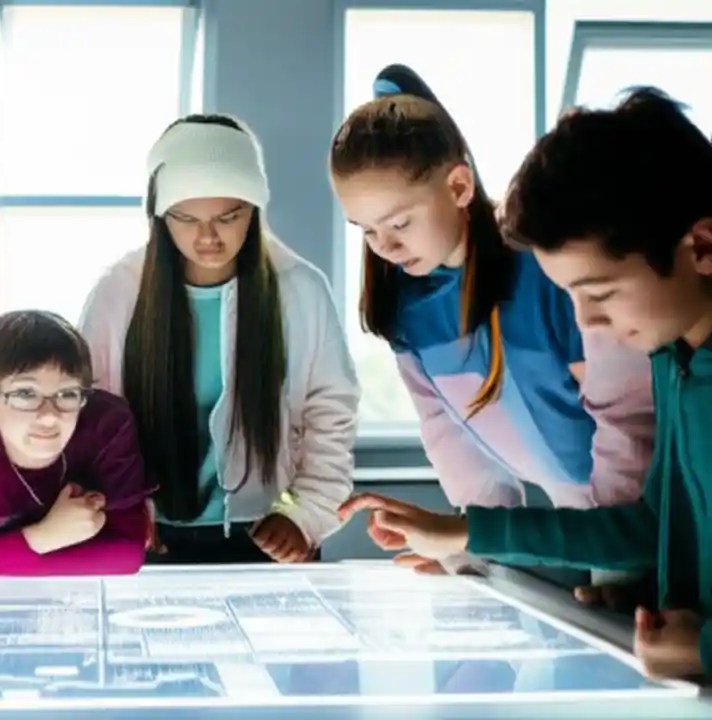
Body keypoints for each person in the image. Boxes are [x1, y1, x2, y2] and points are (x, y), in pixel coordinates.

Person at [340, 87, 712, 681]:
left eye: (600, 294)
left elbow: (630, 475)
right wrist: (472, 534)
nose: (588, 325)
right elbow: (646, 528)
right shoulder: (673, 361)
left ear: (700, 246)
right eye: (573, 298)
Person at [328, 65, 654, 579]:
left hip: (631, 516)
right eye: (366, 231)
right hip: (570, 529)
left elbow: (626, 418)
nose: (385, 247)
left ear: (458, 185)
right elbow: (449, 436)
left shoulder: (544, 268)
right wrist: (470, 545)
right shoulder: (409, 311)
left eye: (400, 222)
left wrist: (612, 556)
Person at [80, 114, 359, 564]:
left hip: (270, 532)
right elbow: (91, 416)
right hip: (147, 533)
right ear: (158, 216)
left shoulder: (300, 288)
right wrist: (121, 510)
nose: (207, 236)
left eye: (229, 216)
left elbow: (331, 414)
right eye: (185, 218)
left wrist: (303, 514)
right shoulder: (119, 291)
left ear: (254, 210)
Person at [0, 310, 155, 575]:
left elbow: (127, 553)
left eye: (67, 393)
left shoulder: (106, 425)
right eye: (26, 394)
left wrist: (1, 557)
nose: (49, 416)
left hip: (81, 596)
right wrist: (43, 537)